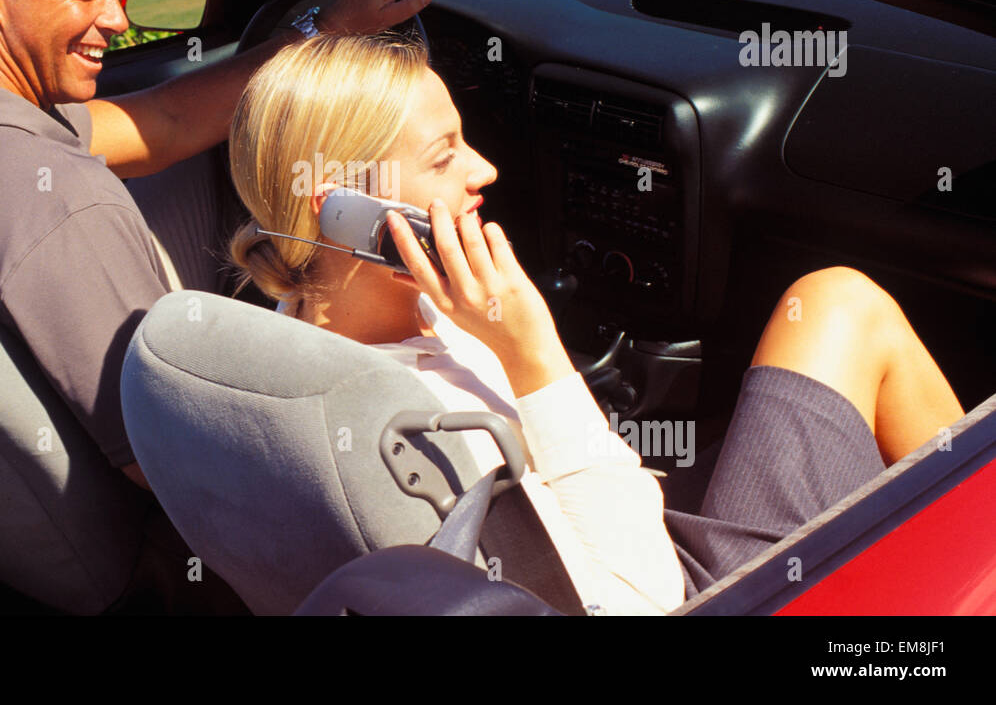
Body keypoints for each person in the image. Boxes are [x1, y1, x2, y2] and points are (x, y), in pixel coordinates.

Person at [226, 32, 966, 614]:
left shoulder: (286, 337)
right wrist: (534, 353)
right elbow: (645, 596)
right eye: (444, 156)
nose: (484, 169)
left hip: (611, 537)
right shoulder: (423, 425)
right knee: (842, 303)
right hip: (694, 594)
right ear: (342, 210)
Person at [0, 0, 429, 489]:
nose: (117, 18)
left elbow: (166, 122)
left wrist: (330, 28)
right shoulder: (59, 203)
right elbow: (176, 460)